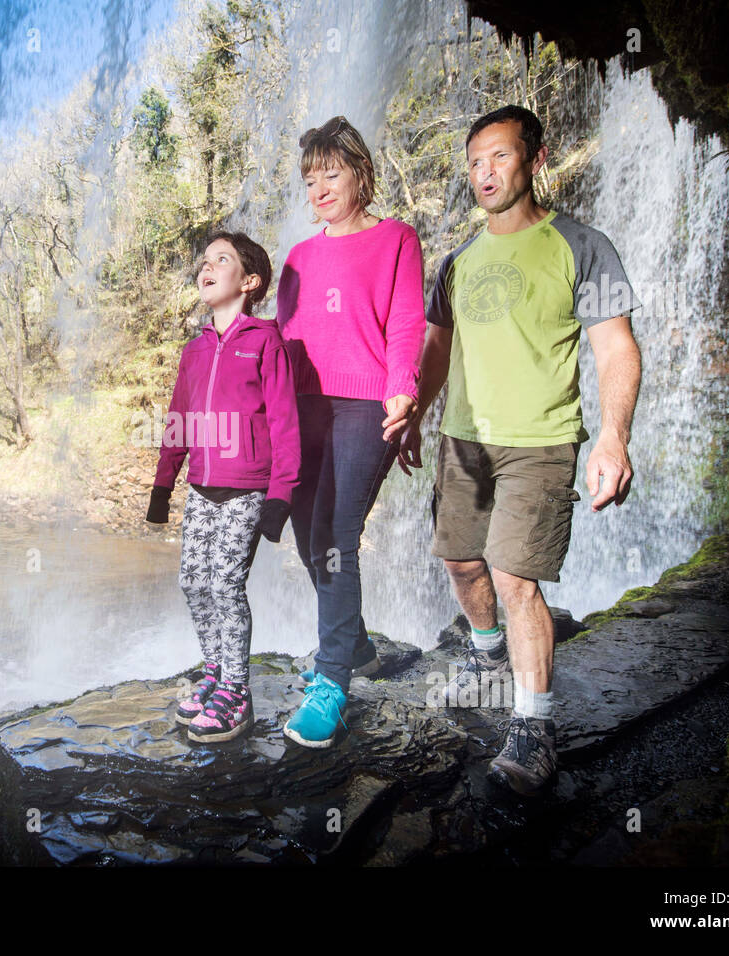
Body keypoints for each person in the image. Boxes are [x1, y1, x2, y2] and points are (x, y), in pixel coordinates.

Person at [394, 105, 643, 796]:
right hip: (463, 440)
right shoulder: (458, 262)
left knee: (514, 580)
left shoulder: (581, 245)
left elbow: (616, 346)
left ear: (533, 160)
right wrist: (413, 411)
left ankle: (535, 727)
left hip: (540, 441)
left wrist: (615, 435)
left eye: (499, 157)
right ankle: (484, 652)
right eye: (475, 162)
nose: (485, 173)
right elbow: (437, 349)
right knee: (461, 562)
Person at [274, 116, 426, 748]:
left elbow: (407, 321)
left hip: (367, 405)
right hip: (304, 407)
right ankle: (357, 645)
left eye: (331, 174)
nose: (319, 189)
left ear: (361, 172)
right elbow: (280, 344)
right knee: (310, 537)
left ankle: (331, 681)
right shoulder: (298, 258)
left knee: (336, 531)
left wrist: (405, 390)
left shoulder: (396, 239)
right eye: (311, 179)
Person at [146, 231, 300, 743]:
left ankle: (237, 691)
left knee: (224, 585)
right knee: (194, 582)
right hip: (202, 488)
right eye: (203, 262)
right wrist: (162, 485)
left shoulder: (263, 342)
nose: (205, 269)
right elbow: (178, 421)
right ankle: (214, 673)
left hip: (248, 488)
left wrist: (280, 497)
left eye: (221, 260)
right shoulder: (195, 350)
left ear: (250, 281)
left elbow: (284, 423)